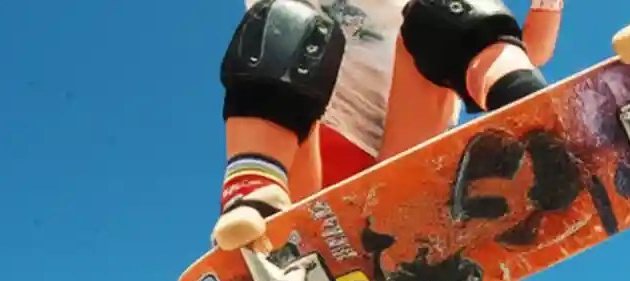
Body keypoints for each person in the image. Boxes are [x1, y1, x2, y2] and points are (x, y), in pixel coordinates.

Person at [212, 0, 564, 251]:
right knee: (282, 23)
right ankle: (259, 207)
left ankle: (540, 127)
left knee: (448, 13)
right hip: (311, 183)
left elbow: (529, 49)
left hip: (405, 153)